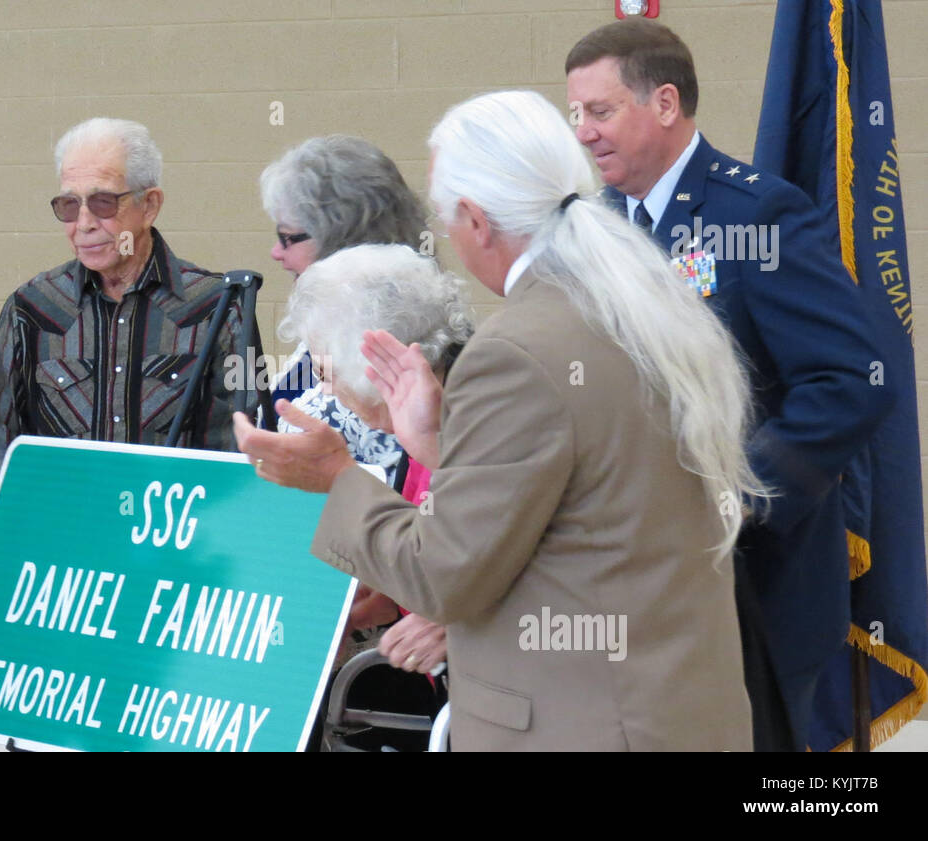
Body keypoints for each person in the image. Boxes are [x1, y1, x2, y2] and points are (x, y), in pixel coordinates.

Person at [235, 90, 762, 751]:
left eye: (447, 218)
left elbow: (444, 572)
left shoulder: (513, 350)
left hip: (582, 721)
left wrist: (337, 476)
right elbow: (589, 502)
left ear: (477, 222)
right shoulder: (641, 303)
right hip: (674, 704)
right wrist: (434, 440)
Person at [565, 19, 894, 751]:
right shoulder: (592, 228)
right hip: (632, 580)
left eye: (601, 110)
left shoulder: (757, 213)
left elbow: (849, 382)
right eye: (575, 114)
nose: (582, 133)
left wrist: (737, 497)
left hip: (751, 584)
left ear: (666, 103)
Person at [0, 118, 266, 509]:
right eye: (68, 205)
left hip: (178, 553)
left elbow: (241, 460)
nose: (84, 224)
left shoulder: (218, 306)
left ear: (150, 205)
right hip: (66, 554)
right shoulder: (32, 309)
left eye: (103, 203)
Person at [281, 243, 472, 749]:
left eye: (326, 371)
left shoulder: (477, 418)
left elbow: (540, 558)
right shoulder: (418, 423)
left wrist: (463, 620)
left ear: (373, 361)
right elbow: (437, 555)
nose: (325, 392)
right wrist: (387, 598)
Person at [259, 135, 430, 486]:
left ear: (341, 239)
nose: (276, 253)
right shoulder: (332, 326)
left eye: (287, 236)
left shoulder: (389, 343)